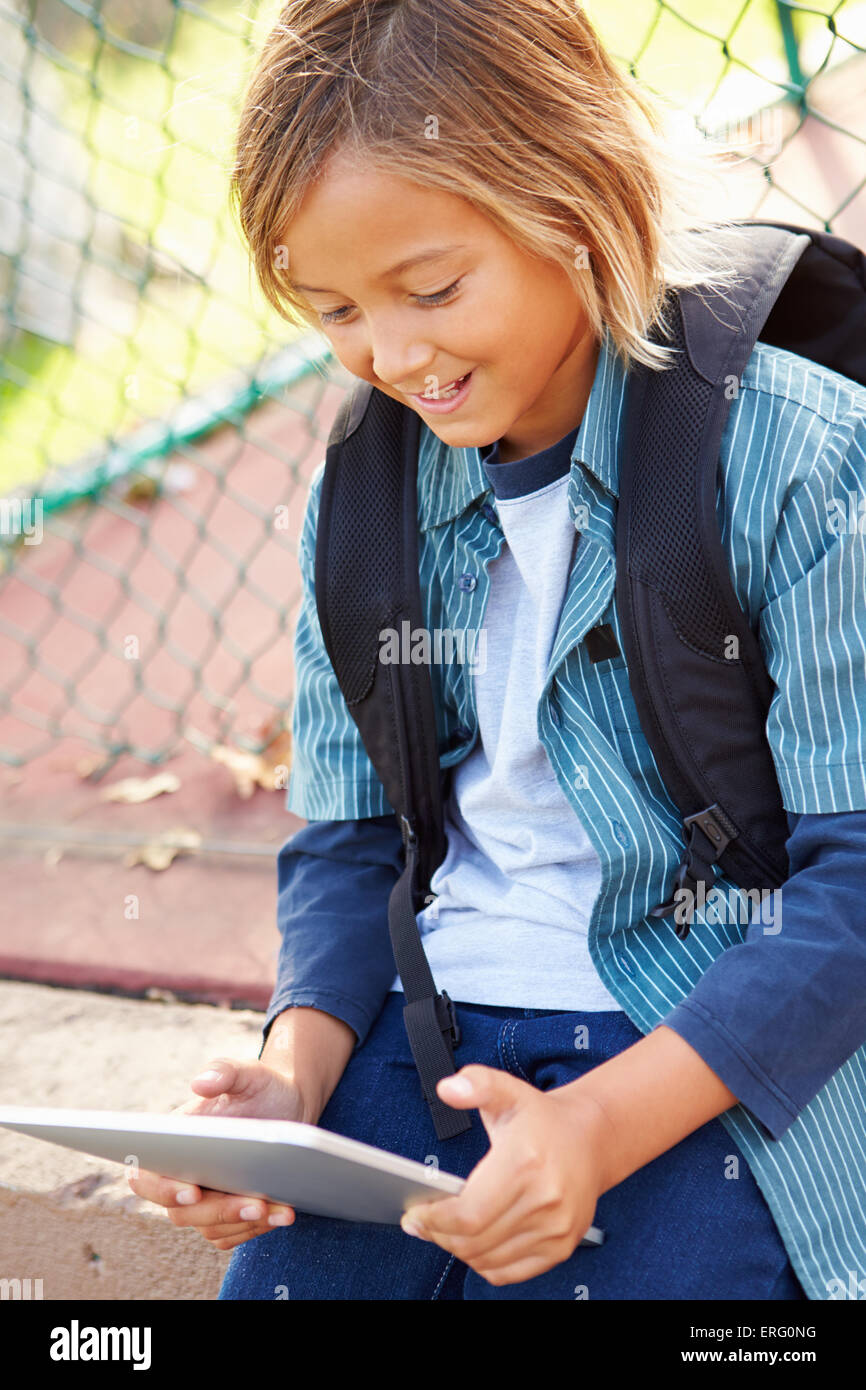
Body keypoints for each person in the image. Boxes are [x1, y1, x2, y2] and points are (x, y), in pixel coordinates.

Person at [129, 0, 866, 1300]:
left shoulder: (802, 461)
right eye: (336, 306)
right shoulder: (363, 491)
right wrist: (288, 1080)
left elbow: (851, 884)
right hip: (426, 1024)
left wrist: (597, 1125)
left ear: (576, 210)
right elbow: (353, 844)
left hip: (700, 1033)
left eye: (429, 290)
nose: (391, 355)